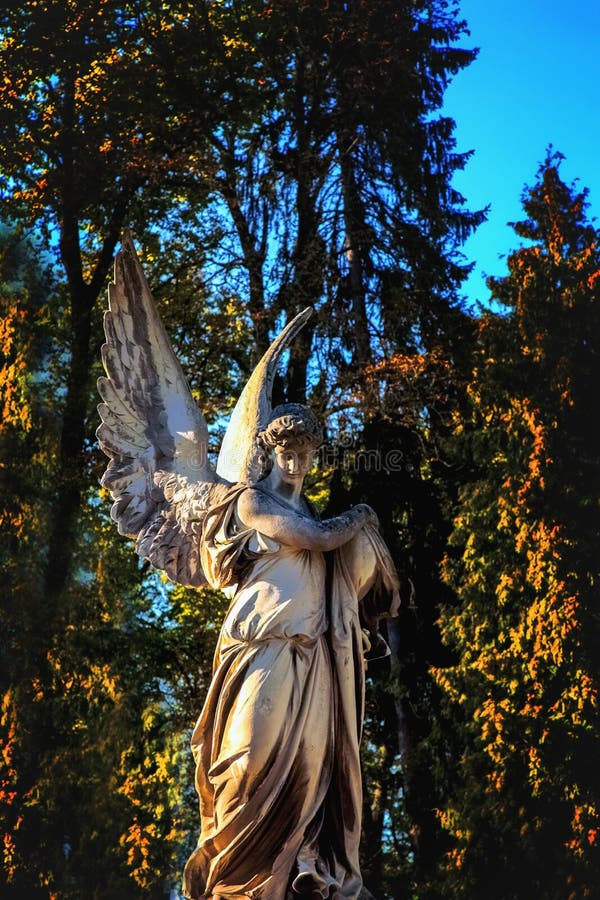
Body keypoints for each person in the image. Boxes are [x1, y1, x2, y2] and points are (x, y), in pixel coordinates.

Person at [182, 405, 399, 900]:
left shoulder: (310, 511)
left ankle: (296, 872)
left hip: (313, 658)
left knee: (308, 770)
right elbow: (319, 539)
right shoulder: (252, 503)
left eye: (304, 455)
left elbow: (338, 558)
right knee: (247, 760)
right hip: (261, 650)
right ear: (269, 453)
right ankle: (236, 881)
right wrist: (361, 515)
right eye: (286, 454)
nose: (296, 465)